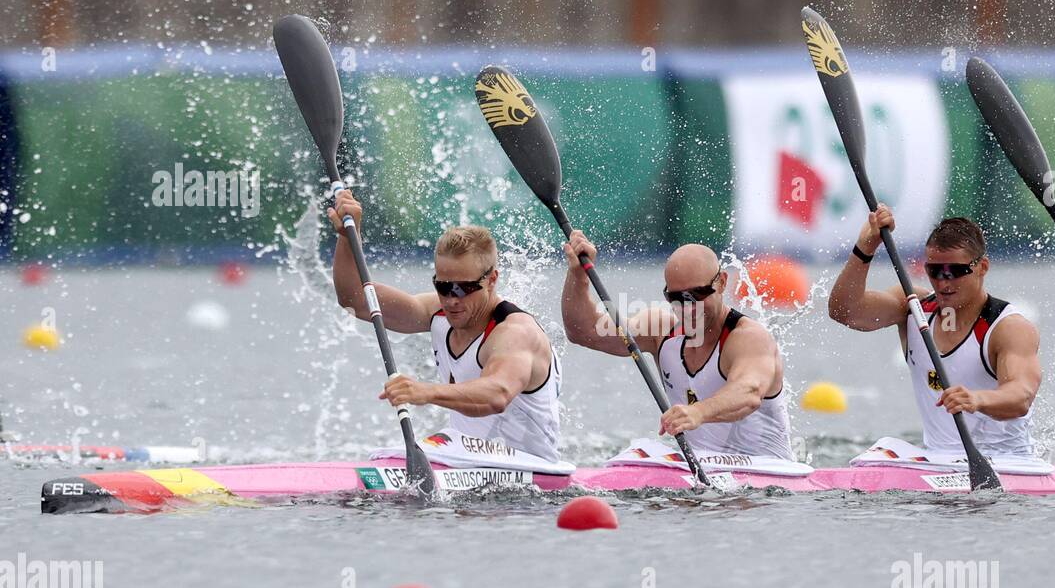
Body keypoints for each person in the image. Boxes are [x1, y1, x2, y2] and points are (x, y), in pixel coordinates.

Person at [329, 190, 561, 461]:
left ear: (492, 280)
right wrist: (348, 237)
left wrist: (424, 391)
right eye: (443, 286)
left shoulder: (515, 333)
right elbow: (355, 299)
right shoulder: (436, 313)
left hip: (528, 477)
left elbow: (497, 394)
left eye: (464, 288)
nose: (451, 300)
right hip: (466, 464)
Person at [828, 205, 1044, 464]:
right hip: (937, 460)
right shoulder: (911, 307)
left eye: (955, 271)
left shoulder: (1008, 328)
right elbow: (845, 312)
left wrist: (977, 398)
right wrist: (865, 247)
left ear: (982, 267)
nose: (944, 282)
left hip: (1006, 461)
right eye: (934, 271)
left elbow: (1021, 396)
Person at [560, 232, 794, 459]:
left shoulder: (749, 338)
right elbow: (583, 332)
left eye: (697, 294)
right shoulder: (661, 331)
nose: (688, 308)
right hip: (702, 481)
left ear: (721, 283)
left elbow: (749, 393)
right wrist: (578, 275)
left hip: (762, 485)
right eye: (677, 298)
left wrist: (698, 411)